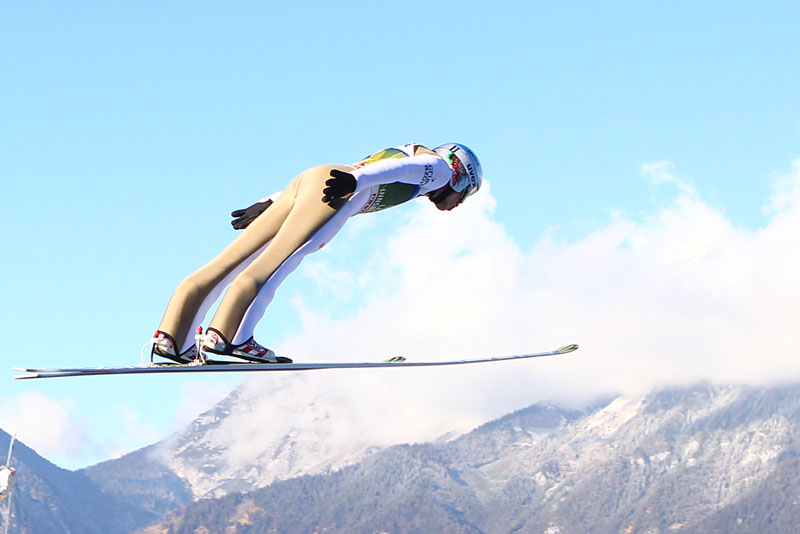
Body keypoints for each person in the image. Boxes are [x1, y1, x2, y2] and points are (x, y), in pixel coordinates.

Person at [149, 143, 483, 364]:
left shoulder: (409, 154)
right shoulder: (439, 168)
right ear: (461, 176)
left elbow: (360, 169)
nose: (457, 204)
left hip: (313, 179)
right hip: (337, 190)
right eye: (464, 195)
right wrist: (356, 180)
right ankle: (232, 339)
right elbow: (398, 172)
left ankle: (171, 339)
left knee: (228, 262)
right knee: (277, 263)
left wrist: (272, 201)